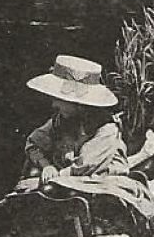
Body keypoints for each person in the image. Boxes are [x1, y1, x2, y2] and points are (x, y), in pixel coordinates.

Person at [22, 55, 130, 187]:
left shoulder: (107, 128)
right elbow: (34, 143)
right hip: (65, 178)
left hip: (98, 181)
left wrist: (51, 178)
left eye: (59, 100)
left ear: (78, 103)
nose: (54, 105)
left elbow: (86, 165)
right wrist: (47, 166)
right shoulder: (61, 120)